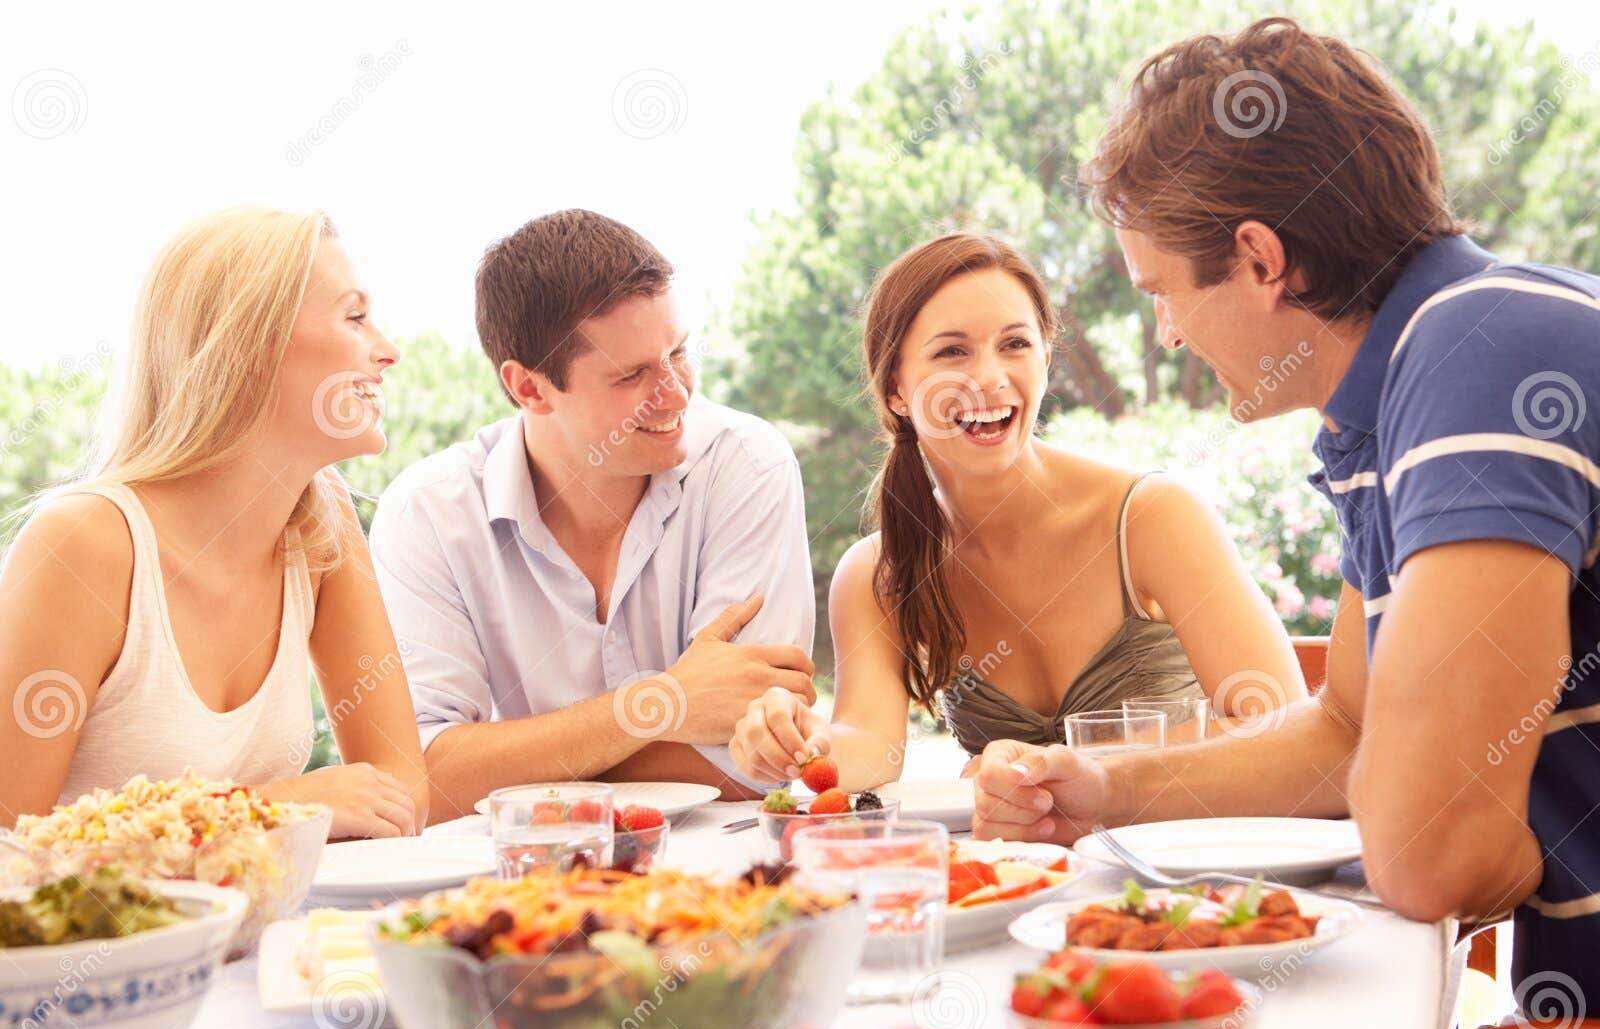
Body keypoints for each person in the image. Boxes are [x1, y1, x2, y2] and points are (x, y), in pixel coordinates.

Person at [972, 17, 1600, 1012]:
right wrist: (1104, 788)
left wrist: (1498, 837)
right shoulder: (1392, 403)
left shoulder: (1481, 355)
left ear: (1261, 258)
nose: (1168, 332)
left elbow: (1431, 853)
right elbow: (1347, 729)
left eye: (1162, 293)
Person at [729, 232, 1305, 790]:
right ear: (897, 391)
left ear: (1046, 362)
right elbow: (871, 751)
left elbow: (1283, 727)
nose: (989, 378)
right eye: (952, 351)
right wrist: (803, 744)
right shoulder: (879, 573)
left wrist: (1062, 762)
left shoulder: (1152, 518)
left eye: (1015, 344)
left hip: (1191, 867)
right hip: (1024, 879)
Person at [369, 209, 816, 820]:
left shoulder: (746, 465)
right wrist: (669, 702)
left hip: (727, 875)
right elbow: (424, 781)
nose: (678, 393)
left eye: (679, 353)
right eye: (632, 375)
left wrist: (515, 761)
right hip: (524, 885)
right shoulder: (428, 515)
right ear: (529, 389)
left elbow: (759, 761)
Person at [0, 207, 427, 837]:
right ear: (252, 345)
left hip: (265, 936)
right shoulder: (83, 543)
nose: (386, 352)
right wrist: (275, 809)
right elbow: (10, 844)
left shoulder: (321, 524)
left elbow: (403, 791)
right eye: (355, 317)